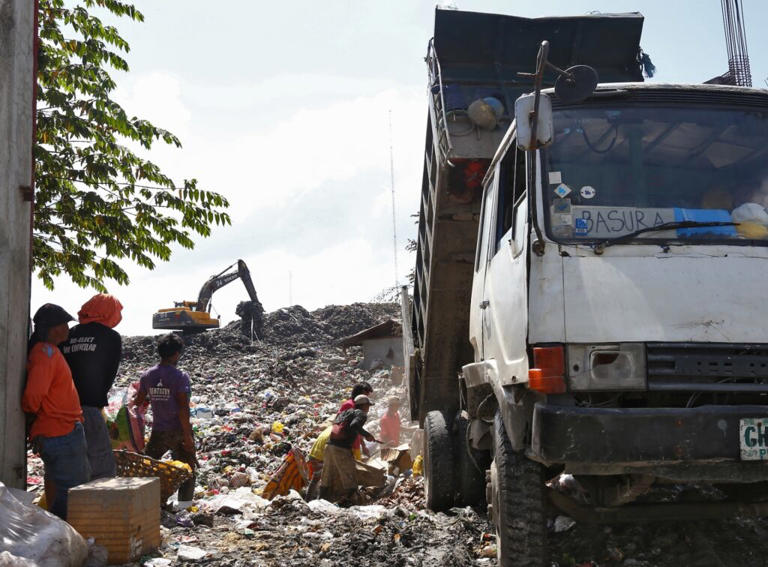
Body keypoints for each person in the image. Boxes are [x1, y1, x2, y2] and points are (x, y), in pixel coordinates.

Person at [22, 304, 90, 520]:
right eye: (64, 325)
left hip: (60, 431)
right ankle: (64, 540)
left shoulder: (49, 352)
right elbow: (33, 396)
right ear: (53, 328)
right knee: (71, 493)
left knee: (59, 487)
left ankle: (57, 534)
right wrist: (31, 412)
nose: (68, 329)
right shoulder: (45, 353)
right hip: (60, 432)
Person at [61, 293, 123, 479]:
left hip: (60, 408)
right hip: (89, 407)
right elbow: (109, 373)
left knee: (69, 463)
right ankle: (96, 507)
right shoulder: (111, 337)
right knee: (101, 467)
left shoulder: (68, 333)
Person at [132, 333, 196, 502]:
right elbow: (183, 408)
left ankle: (148, 501)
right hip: (179, 431)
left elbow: (138, 400)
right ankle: (185, 506)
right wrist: (188, 436)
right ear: (176, 354)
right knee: (188, 470)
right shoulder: (180, 377)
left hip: (159, 430)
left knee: (148, 467)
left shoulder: (147, 375)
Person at [320, 394, 379, 503]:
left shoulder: (345, 413)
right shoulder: (361, 414)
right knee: (349, 479)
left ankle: (321, 501)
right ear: (364, 406)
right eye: (368, 406)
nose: (369, 408)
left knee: (326, 477)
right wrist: (367, 435)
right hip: (341, 449)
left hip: (329, 446)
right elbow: (354, 425)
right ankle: (351, 504)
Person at [337, 382, 373, 458]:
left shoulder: (356, 406)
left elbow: (356, 428)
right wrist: (367, 435)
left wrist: (363, 445)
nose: (367, 397)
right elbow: (348, 425)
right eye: (366, 394)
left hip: (353, 442)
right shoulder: (350, 405)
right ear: (361, 392)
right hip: (344, 444)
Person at [305, 425, 332, 501]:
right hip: (319, 458)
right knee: (325, 480)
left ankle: (308, 499)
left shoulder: (330, 428)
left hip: (314, 456)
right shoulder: (336, 433)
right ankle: (320, 500)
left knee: (315, 479)